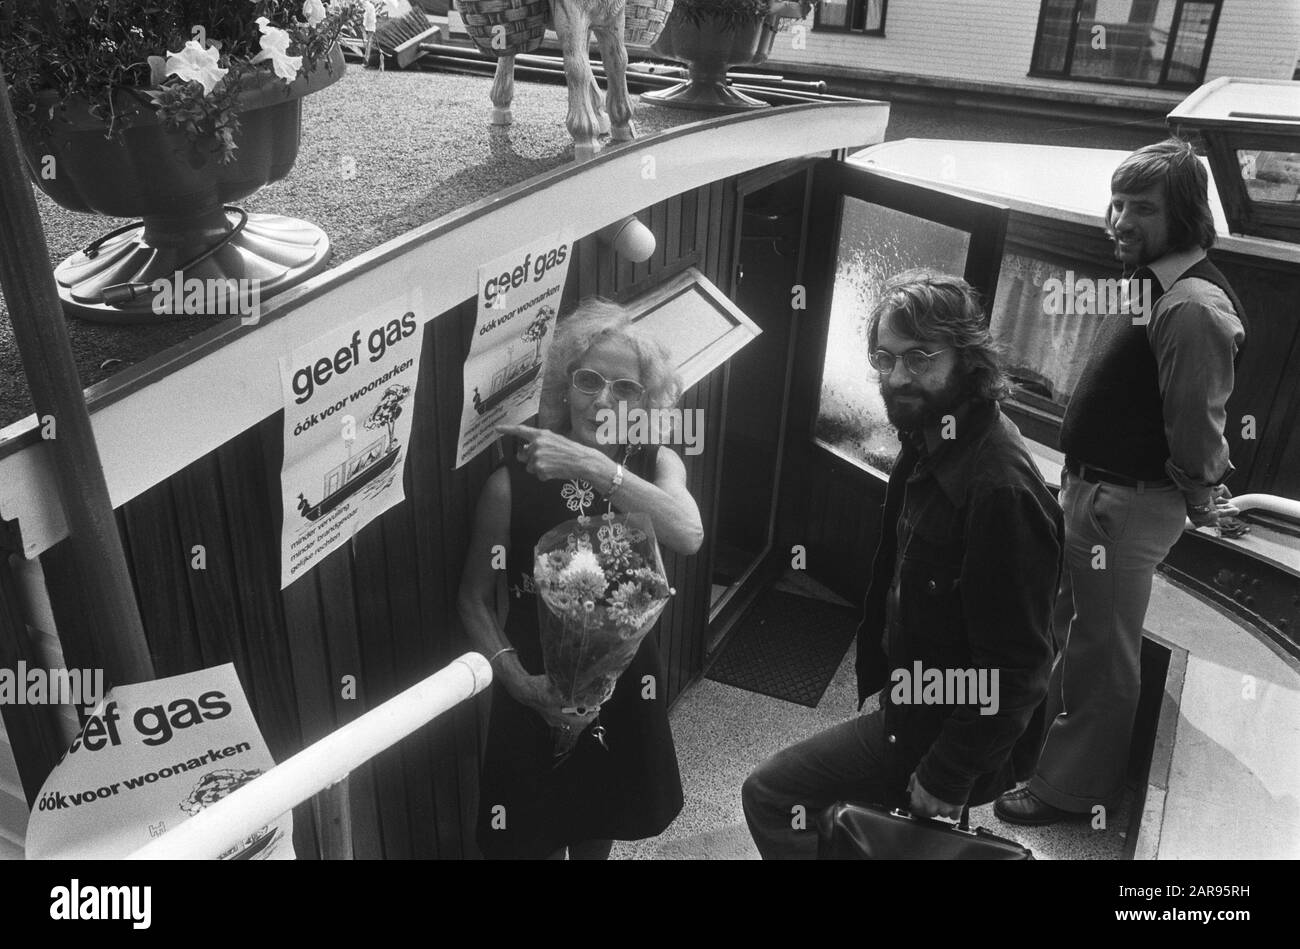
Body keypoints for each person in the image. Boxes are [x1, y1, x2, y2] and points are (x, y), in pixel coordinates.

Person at [742, 272, 1062, 858]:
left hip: (944, 732)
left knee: (769, 793)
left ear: (967, 358)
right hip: (917, 705)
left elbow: (1019, 670)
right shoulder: (934, 438)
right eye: (884, 358)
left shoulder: (998, 491)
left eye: (919, 358)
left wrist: (946, 775)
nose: (896, 377)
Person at [996, 139, 1248, 825]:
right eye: (1117, 203)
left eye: (1142, 207)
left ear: (1186, 215)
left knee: (1102, 652)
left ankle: (1070, 791)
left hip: (1125, 506)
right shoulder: (1154, 281)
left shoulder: (1192, 305)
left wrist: (1203, 495)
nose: (1120, 220)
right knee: (1075, 630)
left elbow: (1196, 425)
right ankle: (1048, 756)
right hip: (1099, 495)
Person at [458, 298, 703, 859]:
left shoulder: (657, 465)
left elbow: (687, 533)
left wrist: (590, 465)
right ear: (563, 383)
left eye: (626, 389)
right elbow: (472, 600)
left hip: (623, 682)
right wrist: (522, 686)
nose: (604, 400)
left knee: (601, 824)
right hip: (534, 684)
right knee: (532, 839)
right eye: (589, 380)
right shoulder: (510, 485)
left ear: (645, 401)